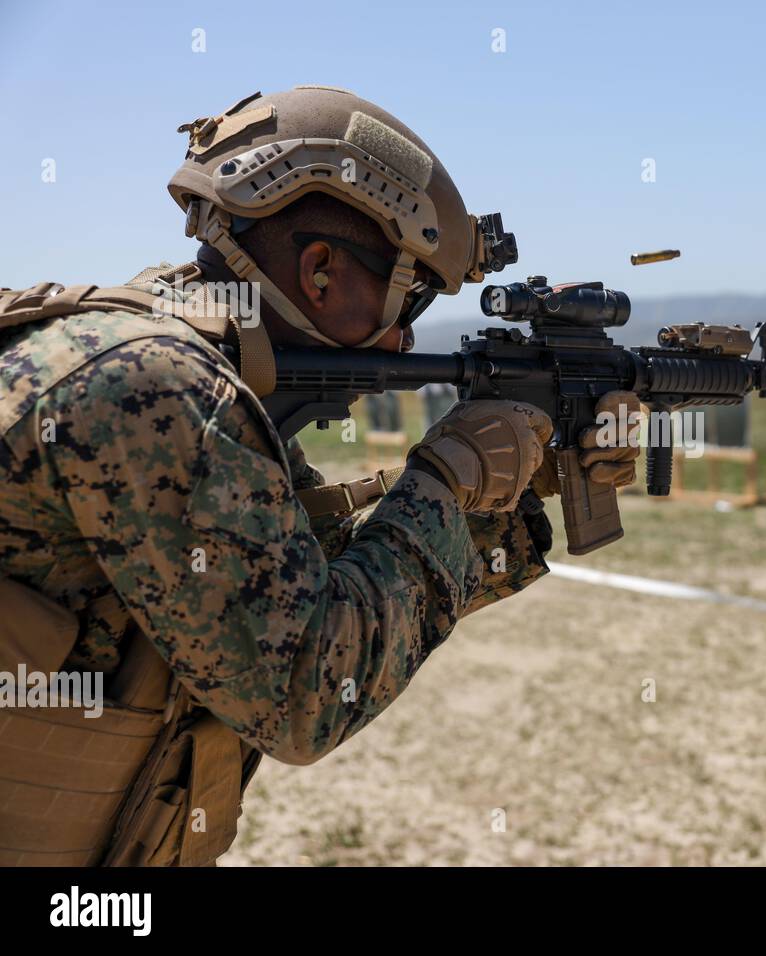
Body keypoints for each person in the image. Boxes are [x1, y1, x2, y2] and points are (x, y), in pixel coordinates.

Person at [0, 86, 639, 866]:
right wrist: (448, 477)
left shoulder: (191, 373)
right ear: (321, 270)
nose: (405, 338)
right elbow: (306, 693)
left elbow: (320, 582)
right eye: (410, 294)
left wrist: (512, 479)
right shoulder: (158, 390)